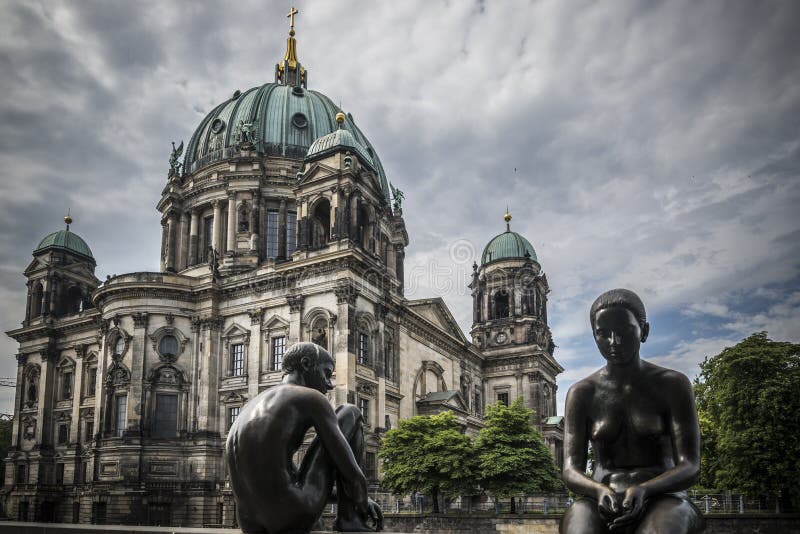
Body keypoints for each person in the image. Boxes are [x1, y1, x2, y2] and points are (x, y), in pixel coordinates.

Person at [561, 289, 705, 533]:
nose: (614, 342)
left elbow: (690, 465)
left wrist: (645, 489)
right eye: (603, 334)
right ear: (594, 336)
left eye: (624, 331)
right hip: (602, 498)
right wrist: (598, 490)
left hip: (663, 497)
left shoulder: (673, 384)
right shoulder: (581, 392)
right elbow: (570, 469)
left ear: (644, 331)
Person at [225, 342, 382, 533]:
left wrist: (360, 497)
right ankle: (350, 519)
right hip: (291, 514)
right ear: (306, 364)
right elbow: (350, 472)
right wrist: (360, 500)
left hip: (249, 524)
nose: (329, 384)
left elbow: (290, 482)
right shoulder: (311, 398)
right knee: (350, 412)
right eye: (326, 373)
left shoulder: (250, 406)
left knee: (316, 522)